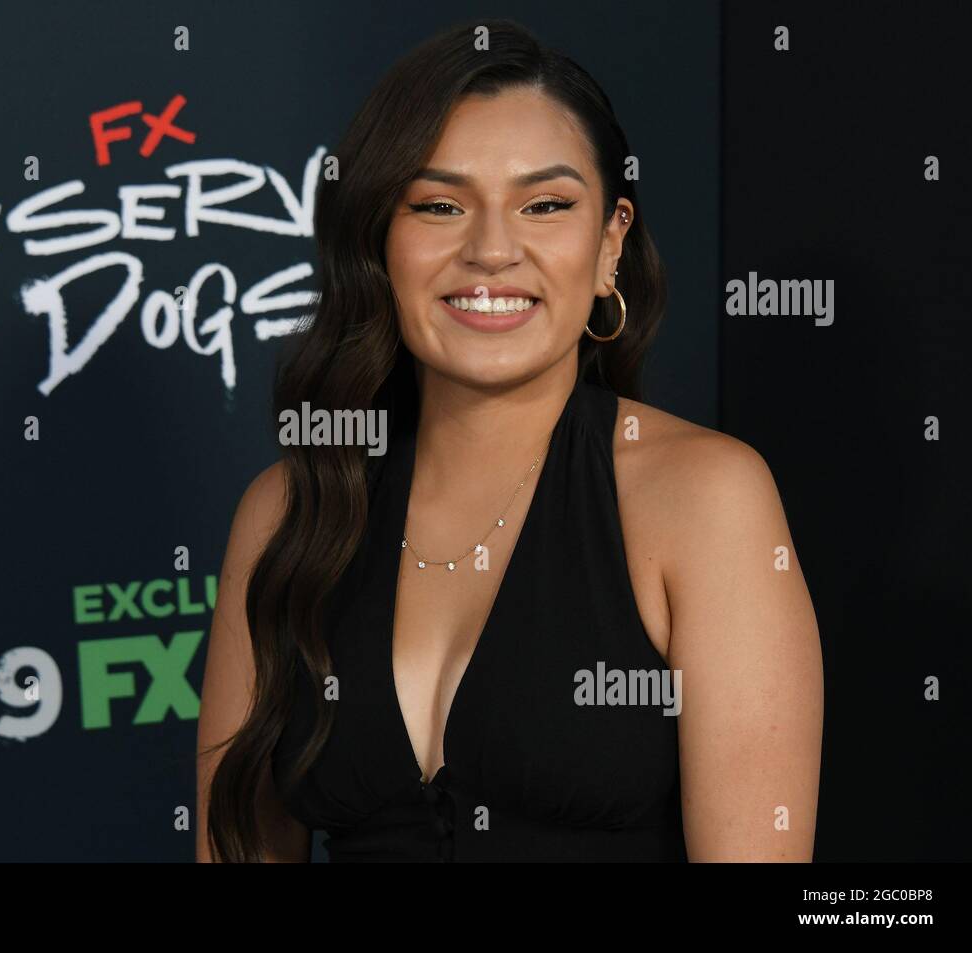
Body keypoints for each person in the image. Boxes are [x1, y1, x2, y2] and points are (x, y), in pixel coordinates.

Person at [196, 18, 822, 862]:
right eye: (439, 205)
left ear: (609, 247)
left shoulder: (705, 498)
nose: (491, 250)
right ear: (380, 244)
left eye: (547, 205)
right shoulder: (286, 511)